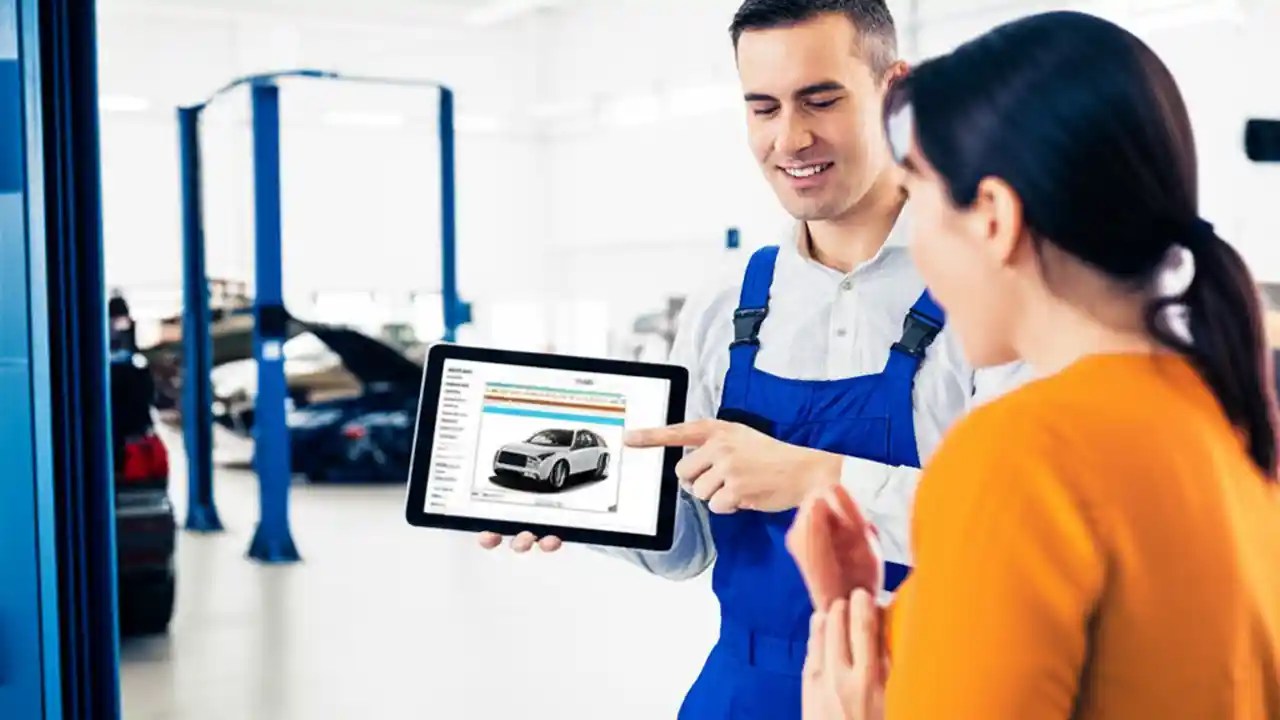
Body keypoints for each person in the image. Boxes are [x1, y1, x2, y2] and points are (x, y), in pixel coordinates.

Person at [480, 1, 1024, 717]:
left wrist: (812, 476)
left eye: (820, 100)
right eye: (762, 108)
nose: (789, 138)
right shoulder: (727, 304)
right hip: (743, 685)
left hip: (929, 687)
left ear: (896, 91)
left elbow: (1013, 534)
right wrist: (591, 513)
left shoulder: (993, 285)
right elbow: (688, 550)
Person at [795, 11, 1280, 719]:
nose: (920, 248)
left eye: (918, 200)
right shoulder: (1229, 420)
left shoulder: (1017, 457)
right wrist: (885, 613)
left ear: (993, 217)